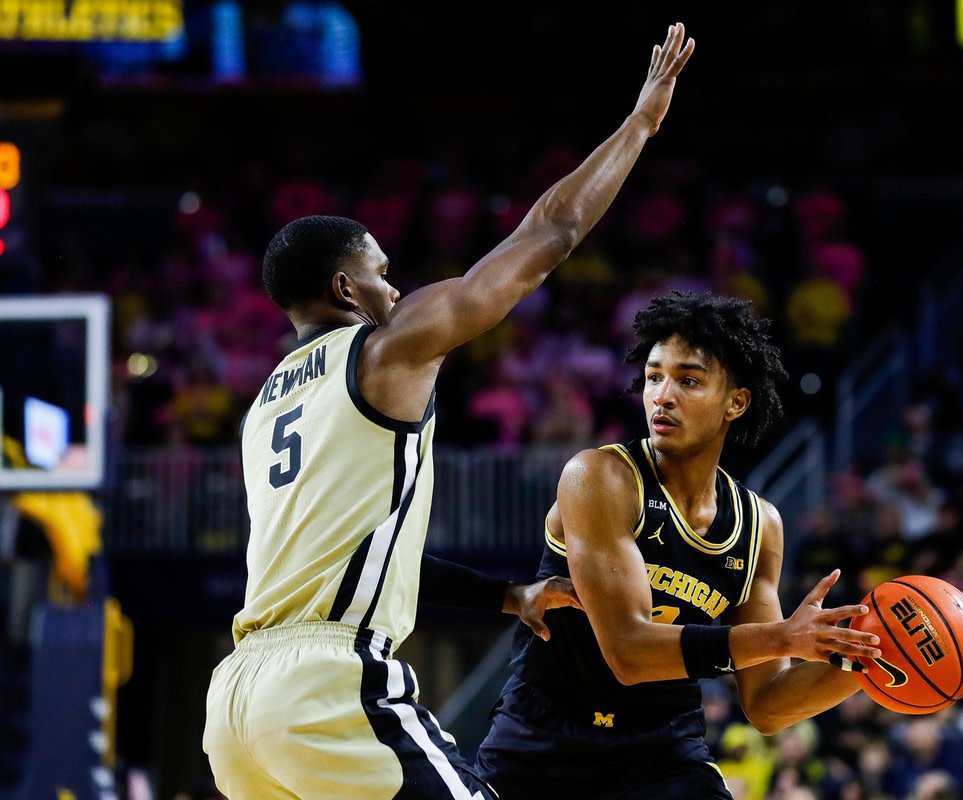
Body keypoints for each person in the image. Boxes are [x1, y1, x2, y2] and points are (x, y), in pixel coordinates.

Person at [202, 22, 697, 800]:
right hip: (327, 685)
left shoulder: (263, 411)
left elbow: (356, 557)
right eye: (382, 272)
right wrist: (640, 123)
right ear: (344, 290)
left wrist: (506, 596)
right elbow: (551, 234)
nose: (394, 290)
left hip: (234, 706)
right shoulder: (385, 347)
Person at [473, 290, 883, 799]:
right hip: (541, 742)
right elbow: (628, 651)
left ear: (736, 401)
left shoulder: (759, 525)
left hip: (660, 750)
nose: (662, 396)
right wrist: (781, 638)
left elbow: (769, 705)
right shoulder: (600, 477)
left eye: (688, 380)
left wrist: (873, 662)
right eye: (653, 377)